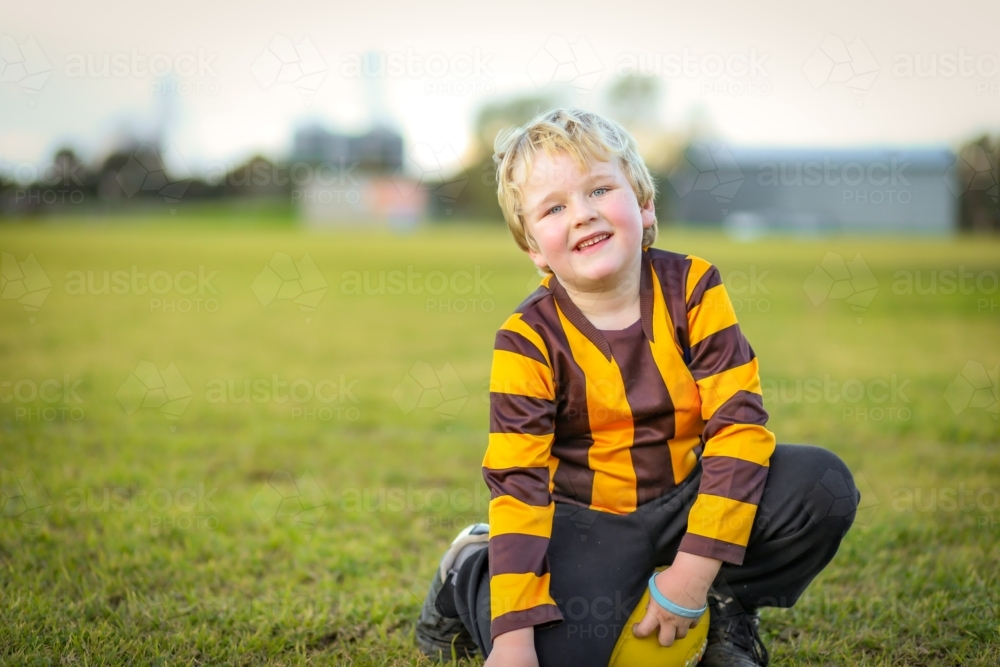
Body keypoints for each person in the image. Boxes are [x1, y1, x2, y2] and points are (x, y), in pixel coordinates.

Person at [416, 108, 859, 667]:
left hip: (688, 494)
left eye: (599, 189)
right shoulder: (526, 339)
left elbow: (739, 429)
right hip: (586, 521)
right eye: (554, 207)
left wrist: (692, 577)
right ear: (532, 246)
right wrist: (513, 641)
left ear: (644, 204)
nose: (582, 215)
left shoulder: (694, 288)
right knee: (561, 657)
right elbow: (520, 486)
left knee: (820, 487)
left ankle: (726, 609)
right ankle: (469, 570)